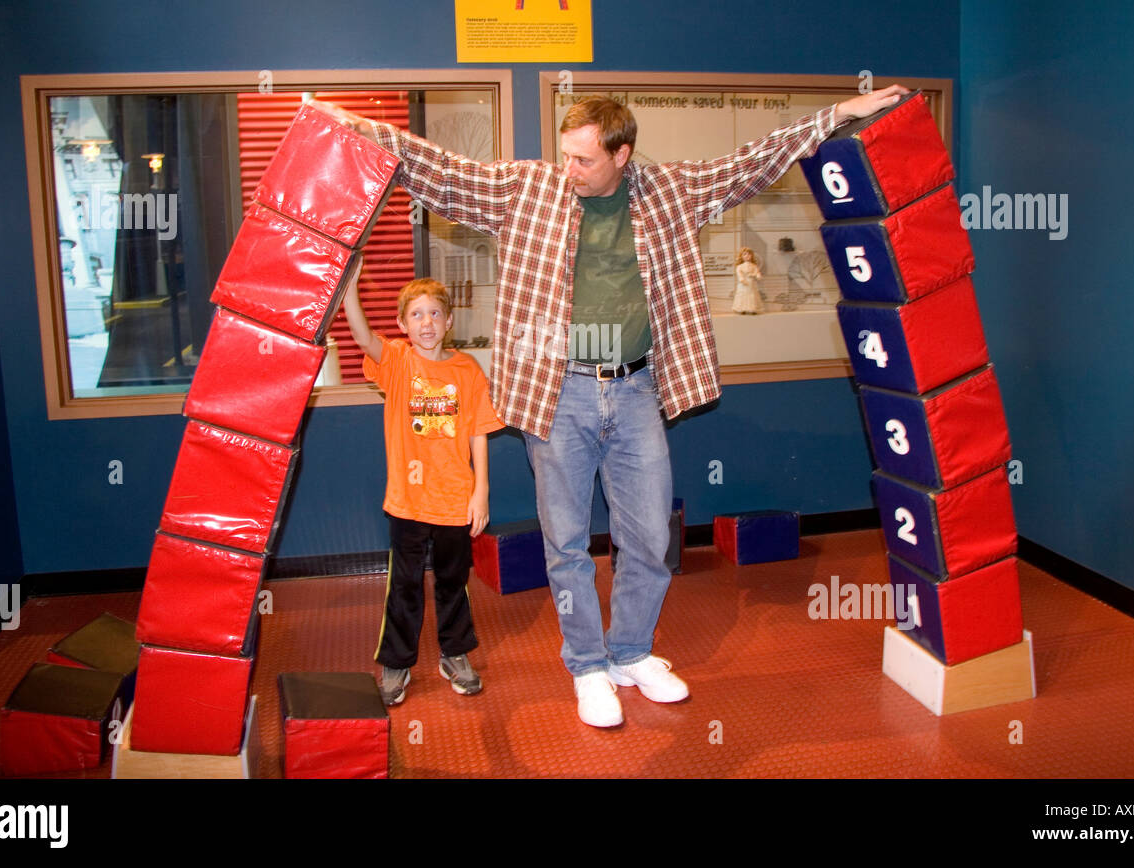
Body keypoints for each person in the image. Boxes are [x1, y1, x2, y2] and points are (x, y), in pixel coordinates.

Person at [313, 83, 907, 727]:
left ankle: (630, 652)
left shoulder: (669, 191)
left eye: (584, 159)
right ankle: (587, 665)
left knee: (648, 535)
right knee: (566, 542)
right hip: (558, 392)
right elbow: (445, 174)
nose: (568, 168)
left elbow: (747, 166)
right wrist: (364, 128)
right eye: (565, 154)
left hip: (636, 389)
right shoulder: (529, 190)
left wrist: (836, 115)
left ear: (622, 155)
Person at [342, 262, 503, 706]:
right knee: (405, 585)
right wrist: (351, 285)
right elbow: (361, 337)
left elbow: (479, 432)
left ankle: (454, 653)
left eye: (434, 314)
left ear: (448, 321)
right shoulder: (397, 361)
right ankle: (397, 661)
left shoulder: (468, 370)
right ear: (402, 324)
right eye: (416, 315)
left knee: (454, 582)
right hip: (408, 502)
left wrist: (481, 492)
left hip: (455, 500)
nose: (426, 322)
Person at [732, 246, 765, 314]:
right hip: (743, 283)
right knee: (743, 295)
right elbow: (739, 273)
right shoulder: (740, 266)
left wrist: (758, 275)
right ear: (741, 256)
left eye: (749, 254)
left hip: (751, 283)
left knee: (752, 295)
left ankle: (752, 309)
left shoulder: (754, 266)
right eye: (745, 254)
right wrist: (741, 279)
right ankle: (742, 309)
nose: (747, 256)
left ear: (751, 256)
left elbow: (757, 272)